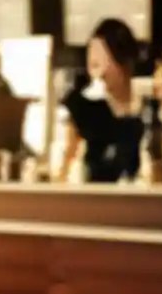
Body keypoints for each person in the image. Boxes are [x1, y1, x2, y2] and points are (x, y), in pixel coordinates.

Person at [59, 19, 144, 183]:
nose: (99, 73)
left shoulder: (147, 109)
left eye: (105, 61)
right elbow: (65, 166)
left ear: (126, 62)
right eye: (94, 64)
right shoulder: (81, 108)